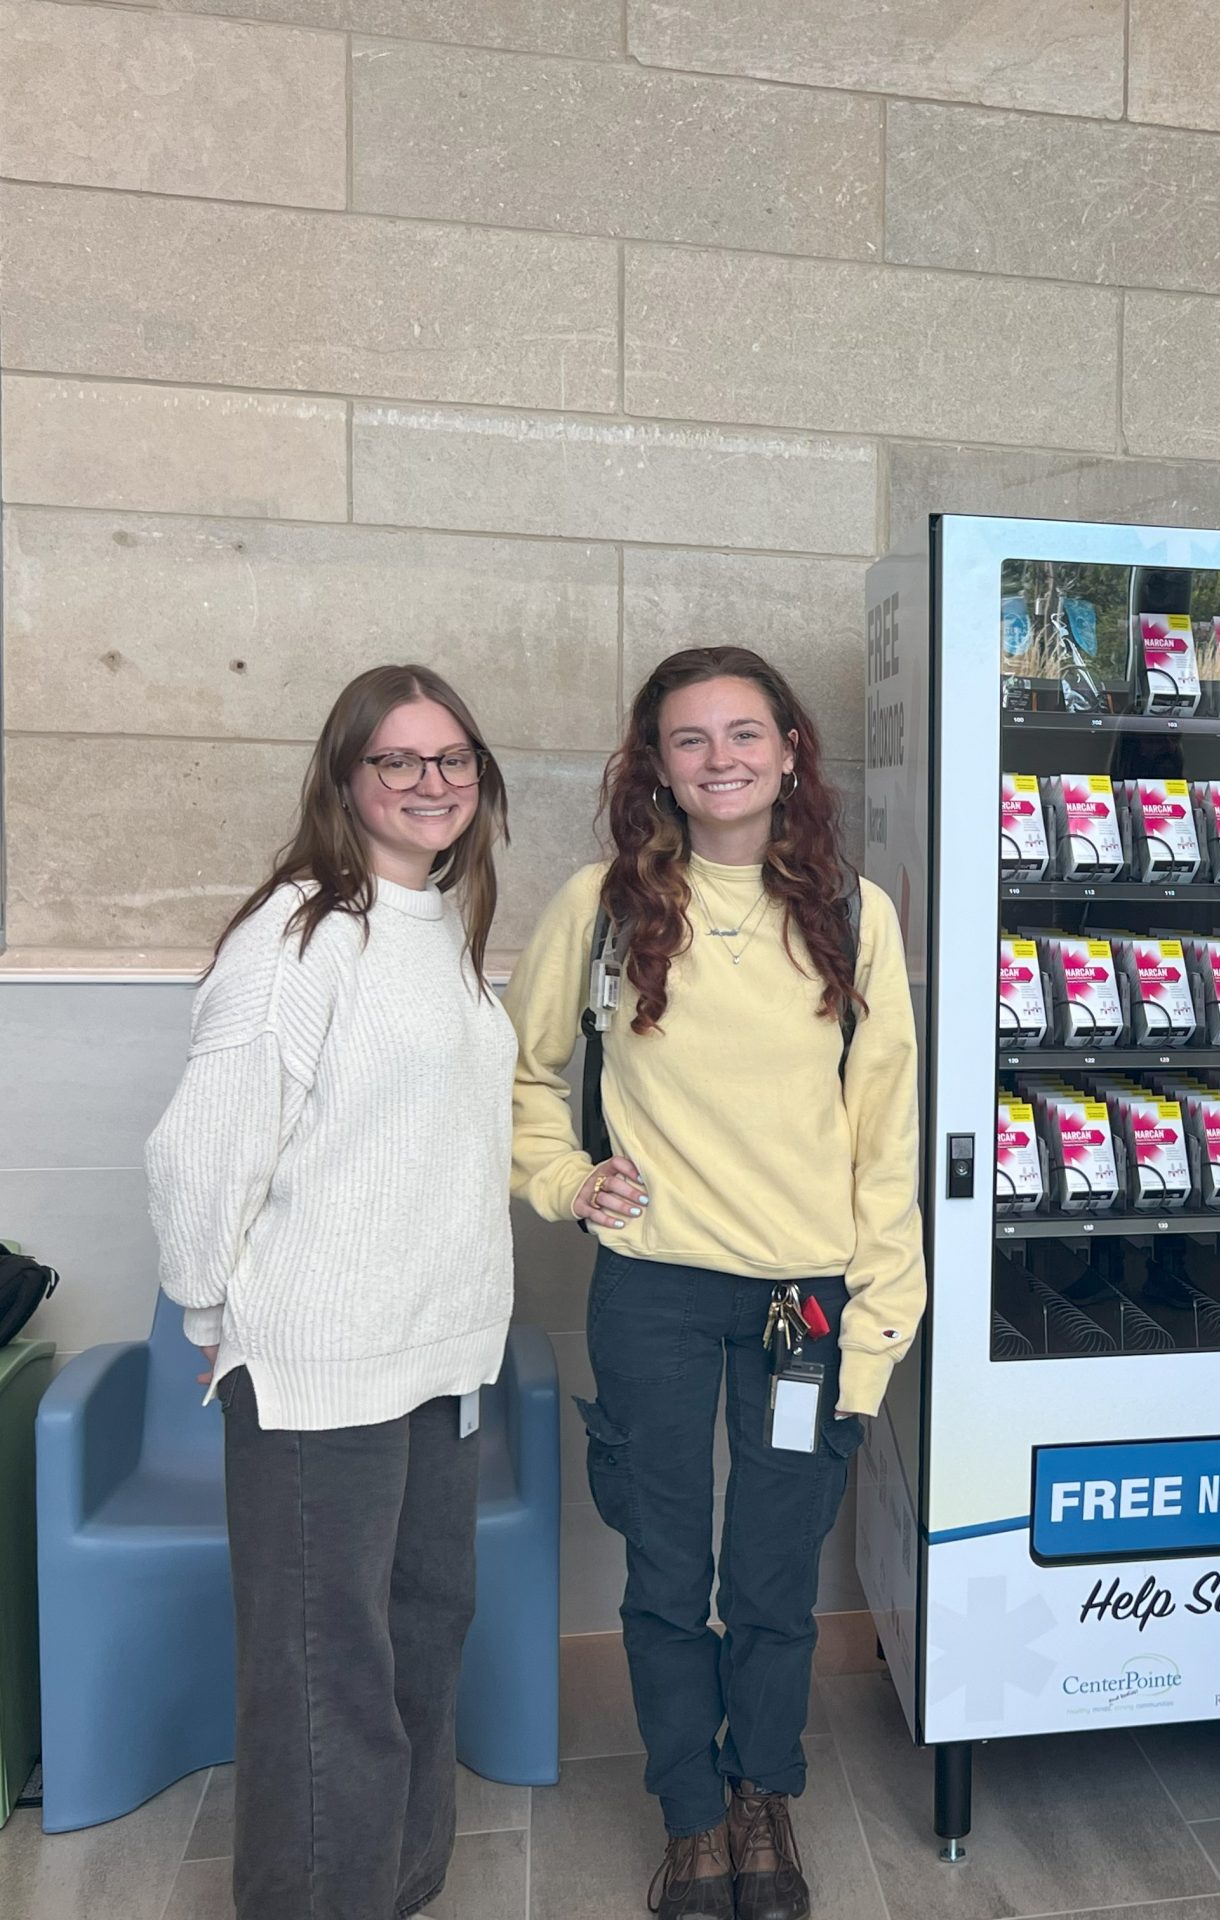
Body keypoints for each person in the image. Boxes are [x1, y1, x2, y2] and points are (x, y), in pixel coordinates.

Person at [506, 646, 924, 1920]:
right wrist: (567, 1182)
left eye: (747, 733)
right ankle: (690, 1815)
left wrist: (873, 1333)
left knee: (773, 1581)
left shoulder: (855, 914)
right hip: (656, 1299)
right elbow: (524, 1085)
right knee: (664, 1572)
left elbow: (885, 1139)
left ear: (792, 751)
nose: (722, 758)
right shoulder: (599, 906)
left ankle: (763, 1803)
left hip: (807, 1305)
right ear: (656, 767)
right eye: (691, 740)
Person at [147, 665, 516, 1920]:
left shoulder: (445, 926)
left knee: (423, 1635)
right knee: (325, 1673)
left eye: (451, 759)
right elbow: (202, 1149)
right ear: (344, 779)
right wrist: (212, 1315)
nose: (430, 782)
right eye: (398, 762)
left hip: (439, 1352)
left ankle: (395, 1889)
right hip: (321, 1365)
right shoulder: (299, 934)